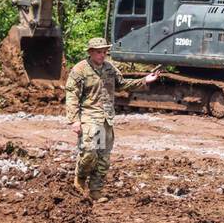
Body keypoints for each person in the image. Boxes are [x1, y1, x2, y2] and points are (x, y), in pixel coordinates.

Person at [63, 38, 160, 201]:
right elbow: (72, 94)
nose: (102, 55)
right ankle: (79, 179)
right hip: (89, 117)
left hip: (106, 119)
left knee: (103, 158)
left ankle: (95, 191)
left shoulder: (109, 68)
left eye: (104, 52)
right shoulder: (80, 70)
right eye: (99, 52)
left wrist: (145, 80)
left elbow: (123, 84)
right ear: (91, 52)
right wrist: (74, 120)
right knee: (89, 153)